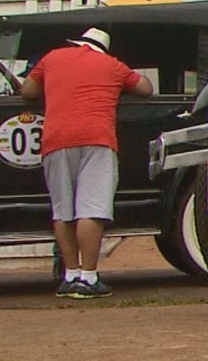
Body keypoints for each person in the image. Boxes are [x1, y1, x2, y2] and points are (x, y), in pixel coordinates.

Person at [20, 27, 153, 299]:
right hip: (97, 139)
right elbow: (145, 89)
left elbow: (28, 91)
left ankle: (70, 275)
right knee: (91, 209)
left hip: (55, 140)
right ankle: (89, 278)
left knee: (63, 210)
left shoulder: (53, 58)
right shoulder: (112, 64)